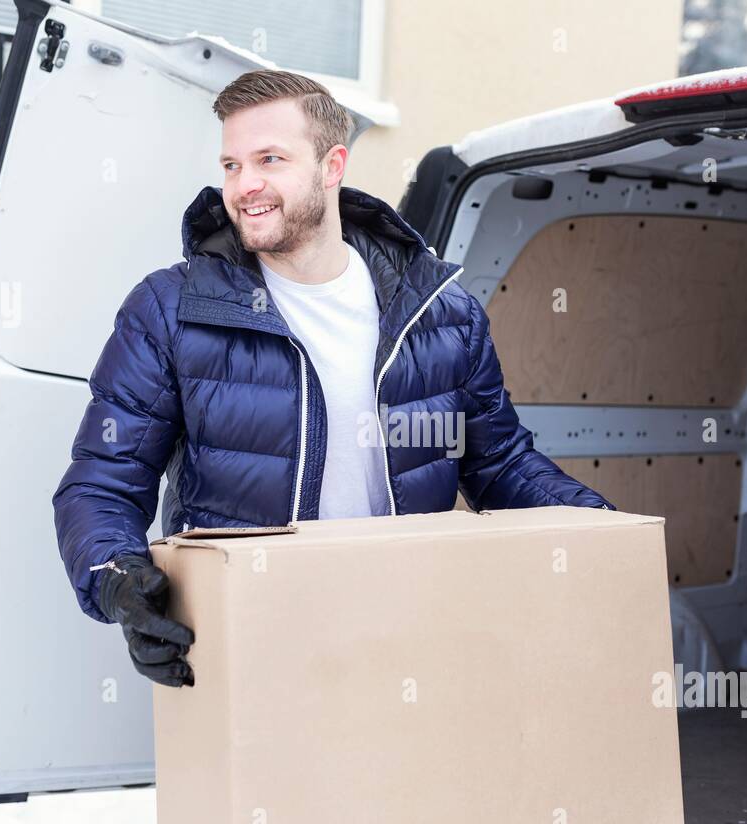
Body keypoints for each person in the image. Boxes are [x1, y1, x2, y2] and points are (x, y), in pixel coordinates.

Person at [52, 69, 614, 687]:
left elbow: (501, 466)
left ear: (331, 165)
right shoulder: (170, 309)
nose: (246, 186)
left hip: (409, 635)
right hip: (245, 646)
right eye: (232, 164)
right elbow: (102, 481)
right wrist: (116, 577)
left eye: (270, 159)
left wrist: (607, 532)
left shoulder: (440, 313)